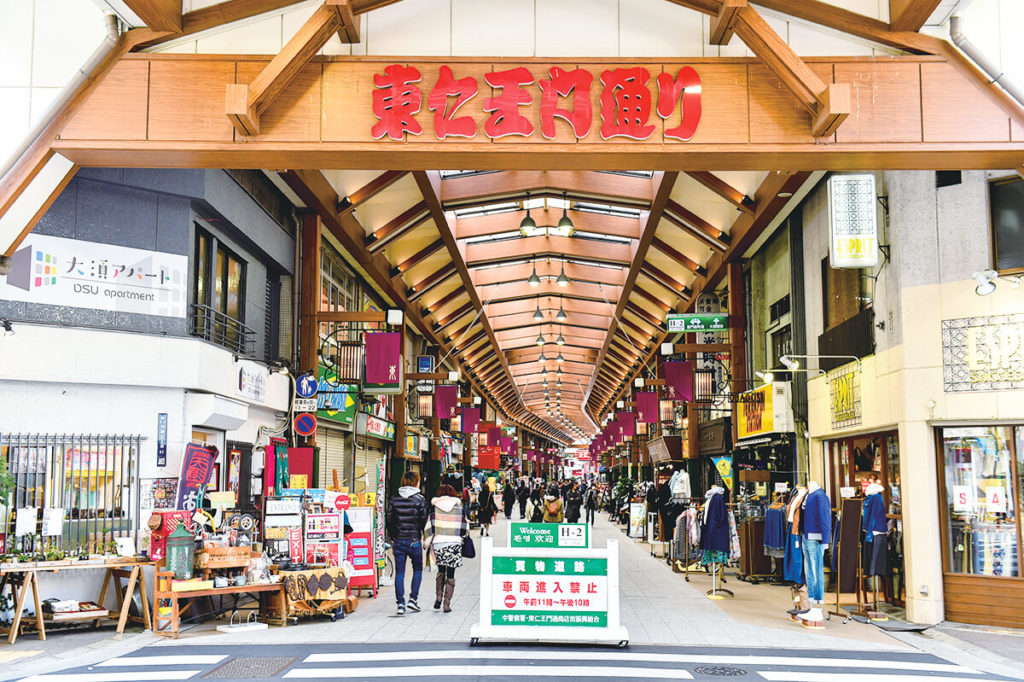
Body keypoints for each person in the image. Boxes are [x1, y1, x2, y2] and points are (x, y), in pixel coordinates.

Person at [385, 471, 427, 615]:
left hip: (398, 541)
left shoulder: (394, 499)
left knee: (400, 573)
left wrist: (393, 536)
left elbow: (389, 520)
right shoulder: (420, 499)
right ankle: (413, 600)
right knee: (417, 570)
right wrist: (422, 536)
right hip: (414, 541)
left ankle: (400, 605)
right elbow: (423, 520)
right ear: (416, 482)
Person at [429, 484, 469, 613]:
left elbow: (431, 525)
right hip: (454, 543)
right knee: (451, 573)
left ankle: (438, 596)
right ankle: (447, 604)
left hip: (439, 542)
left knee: (441, 570)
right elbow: (463, 528)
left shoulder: (434, 506)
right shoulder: (458, 507)